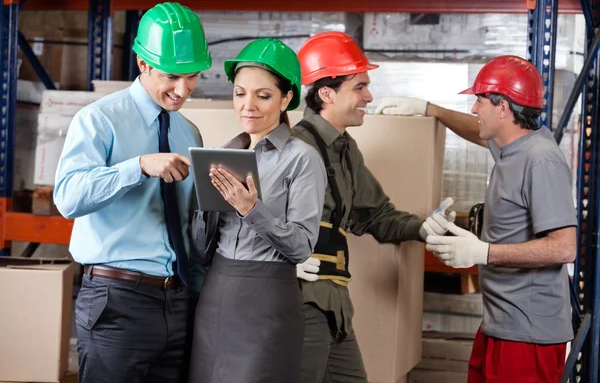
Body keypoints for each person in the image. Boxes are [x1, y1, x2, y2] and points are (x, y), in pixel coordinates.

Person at [376, 55, 577, 383]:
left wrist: (483, 252)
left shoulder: (541, 161)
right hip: (501, 322)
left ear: (503, 108)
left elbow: (564, 248)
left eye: (479, 101)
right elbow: (476, 131)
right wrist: (430, 109)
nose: (473, 109)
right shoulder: (513, 144)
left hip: (528, 334)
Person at [54, 2, 211, 383]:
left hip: (178, 300)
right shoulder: (99, 120)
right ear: (143, 64)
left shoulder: (188, 132)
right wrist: (137, 166)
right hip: (117, 300)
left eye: (192, 77)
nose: (182, 89)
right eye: (173, 76)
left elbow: (190, 222)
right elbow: (68, 197)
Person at [291, 31, 456, 383]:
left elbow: (376, 215)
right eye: (359, 87)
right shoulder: (294, 149)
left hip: (335, 302)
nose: (369, 96)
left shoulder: (346, 149)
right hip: (301, 303)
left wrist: (423, 227)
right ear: (326, 94)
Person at [188, 38, 327, 383]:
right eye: (239, 93)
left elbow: (300, 247)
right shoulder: (223, 154)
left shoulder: (303, 159)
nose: (247, 105)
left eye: (263, 95)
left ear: (286, 98)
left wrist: (252, 209)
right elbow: (201, 252)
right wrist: (202, 208)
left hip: (267, 303)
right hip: (216, 295)